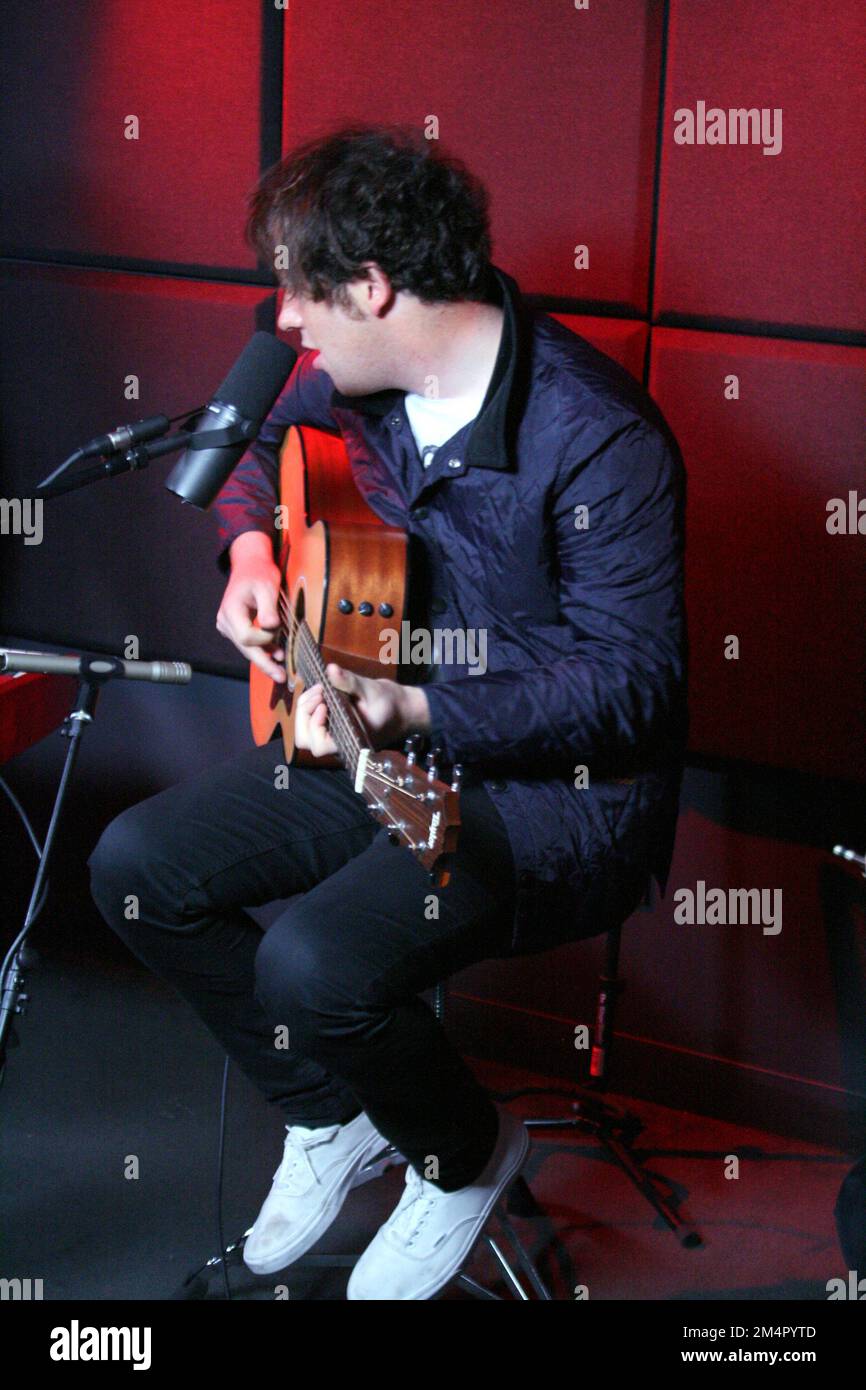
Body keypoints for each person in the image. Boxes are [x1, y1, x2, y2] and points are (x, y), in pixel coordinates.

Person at [88, 125, 688, 1300]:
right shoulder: (357, 374)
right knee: (136, 863)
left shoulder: (599, 438)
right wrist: (250, 551)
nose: (284, 325)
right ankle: (335, 1115)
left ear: (370, 287)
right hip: (390, 746)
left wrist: (411, 695)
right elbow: (259, 443)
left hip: (557, 802)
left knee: (313, 965)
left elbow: (632, 685)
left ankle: (461, 1157)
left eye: (297, 292)